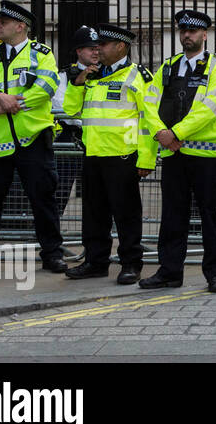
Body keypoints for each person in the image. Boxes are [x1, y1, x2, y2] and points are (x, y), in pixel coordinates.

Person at [0, 0, 67, 274]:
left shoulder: (41, 53)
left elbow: (46, 86)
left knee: (43, 200)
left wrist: (13, 104)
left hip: (32, 138)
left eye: (3, 22)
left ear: (20, 26)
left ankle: (52, 254)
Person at [139, 10, 216, 292]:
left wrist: (175, 133)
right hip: (173, 154)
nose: (186, 35)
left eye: (192, 31)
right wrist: (162, 135)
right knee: (172, 216)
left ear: (205, 35)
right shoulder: (167, 67)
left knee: (209, 216)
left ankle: (214, 273)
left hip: (205, 155)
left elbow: (211, 108)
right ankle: (169, 271)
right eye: (183, 31)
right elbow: (148, 103)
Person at [62, 23, 155, 284]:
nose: (97, 50)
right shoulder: (91, 75)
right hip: (93, 155)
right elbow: (71, 110)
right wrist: (78, 83)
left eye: (102, 45)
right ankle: (95, 261)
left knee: (126, 215)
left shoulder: (138, 76)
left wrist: (147, 158)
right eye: (95, 45)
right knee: (93, 214)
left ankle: (131, 263)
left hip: (123, 157)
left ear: (120, 46)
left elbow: (149, 122)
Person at [52, 25, 101, 215]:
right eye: (91, 48)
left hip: (98, 138)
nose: (96, 52)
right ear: (79, 50)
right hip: (71, 138)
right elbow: (63, 109)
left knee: (97, 192)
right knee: (60, 189)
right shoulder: (63, 76)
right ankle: (53, 231)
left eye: (98, 47)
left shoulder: (107, 75)